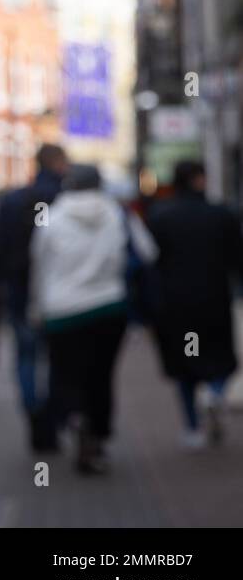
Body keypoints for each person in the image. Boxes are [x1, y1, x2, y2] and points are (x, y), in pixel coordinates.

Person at [29, 164, 157, 475]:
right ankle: (98, 437)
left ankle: (75, 417)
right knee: (101, 375)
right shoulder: (118, 214)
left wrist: (36, 308)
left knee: (66, 373)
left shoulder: (51, 218)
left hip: (62, 312)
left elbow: (39, 264)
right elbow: (148, 253)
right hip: (108, 307)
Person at [144, 160, 243, 449]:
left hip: (176, 306)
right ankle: (214, 392)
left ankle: (192, 427)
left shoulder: (160, 216)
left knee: (185, 365)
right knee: (221, 359)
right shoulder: (220, 215)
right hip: (213, 301)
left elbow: (150, 263)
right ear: (199, 180)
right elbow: (237, 259)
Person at [0, 144, 69, 451]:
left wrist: (3, 284)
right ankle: (53, 417)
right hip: (59, 295)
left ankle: (33, 411)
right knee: (57, 359)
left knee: (25, 356)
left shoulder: (12, 200)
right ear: (59, 163)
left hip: (20, 292)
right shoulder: (64, 200)